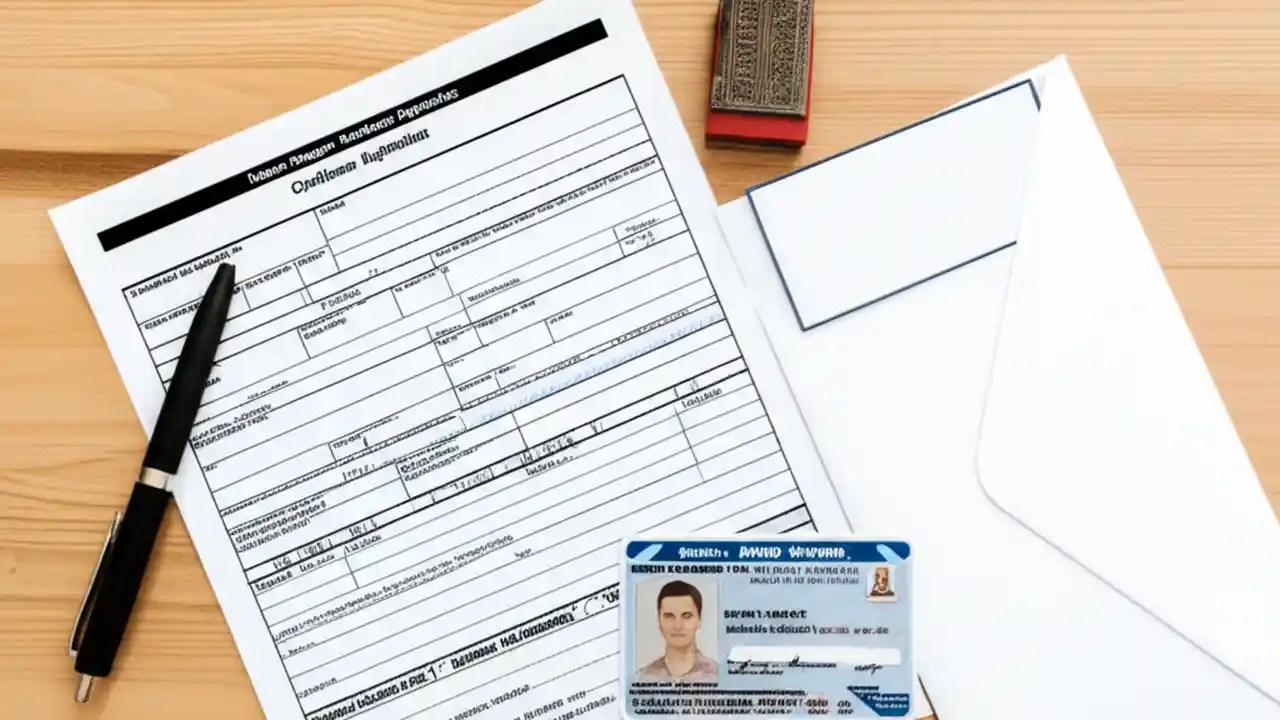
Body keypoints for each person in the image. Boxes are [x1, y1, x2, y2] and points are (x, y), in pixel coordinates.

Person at [635, 580, 718, 682]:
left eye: (687, 616)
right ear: (659, 621)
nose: (678, 626)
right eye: (669, 616)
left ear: (699, 620)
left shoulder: (718, 677)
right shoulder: (642, 679)